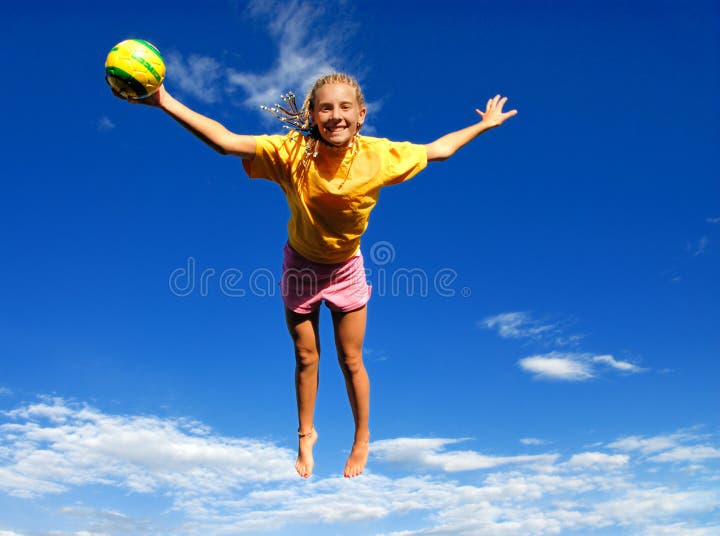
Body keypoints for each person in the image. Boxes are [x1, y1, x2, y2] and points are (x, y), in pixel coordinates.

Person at [111, 72, 516, 479]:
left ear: (361, 115)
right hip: (301, 266)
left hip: (346, 268)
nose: (335, 116)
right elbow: (226, 142)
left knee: (350, 358)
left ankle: (361, 437)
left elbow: (439, 150)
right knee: (306, 356)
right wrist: (164, 101)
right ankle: (306, 435)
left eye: (344, 108)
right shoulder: (292, 152)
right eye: (325, 107)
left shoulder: (381, 155)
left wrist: (483, 124)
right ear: (311, 114)